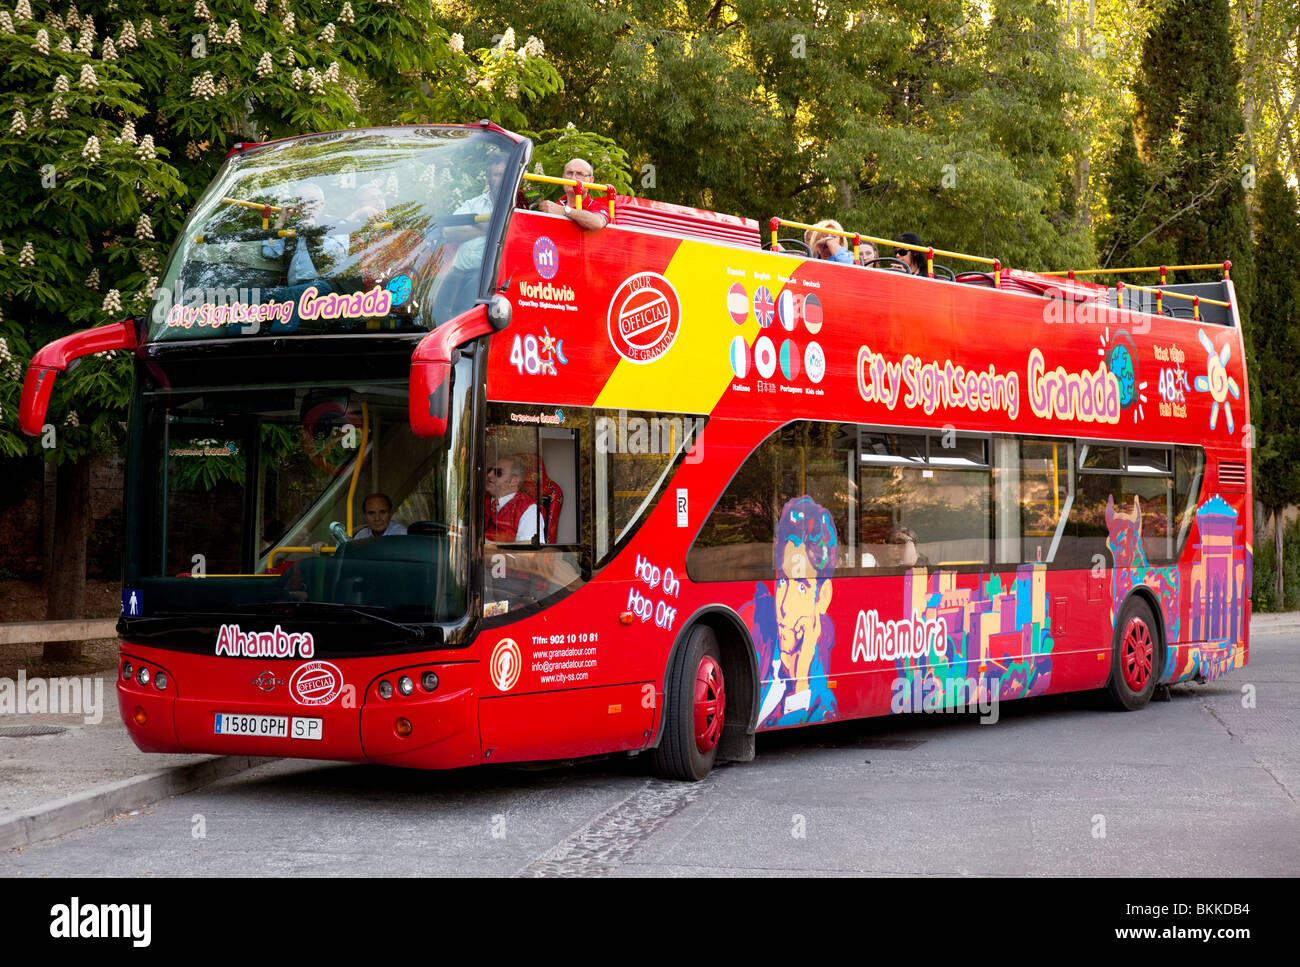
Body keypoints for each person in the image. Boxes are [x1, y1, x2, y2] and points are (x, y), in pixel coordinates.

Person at [748, 496, 839, 728]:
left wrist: (800, 683)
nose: (784, 607)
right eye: (782, 583)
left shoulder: (822, 699)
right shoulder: (755, 631)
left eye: (801, 585)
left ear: (823, 597)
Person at [261, 182, 349, 285]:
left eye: (311, 201)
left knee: (254, 296)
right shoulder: (293, 230)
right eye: (301, 202)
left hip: (326, 286)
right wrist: (281, 220)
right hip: (296, 287)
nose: (306, 206)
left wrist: (315, 232)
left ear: (322, 204)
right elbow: (268, 252)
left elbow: (338, 255)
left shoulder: (336, 224)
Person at [485, 455, 546, 543]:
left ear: (514, 481)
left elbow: (528, 552)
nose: (489, 475)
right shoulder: (479, 501)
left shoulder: (529, 510)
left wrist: (488, 545)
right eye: (489, 470)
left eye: (498, 472)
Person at [537, 158, 609, 231]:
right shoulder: (554, 206)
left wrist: (564, 211)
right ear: (563, 177)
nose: (573, 178)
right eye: (569, 173)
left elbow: (597, 223)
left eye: (579, 174)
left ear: (591, 180)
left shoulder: (598, 206)